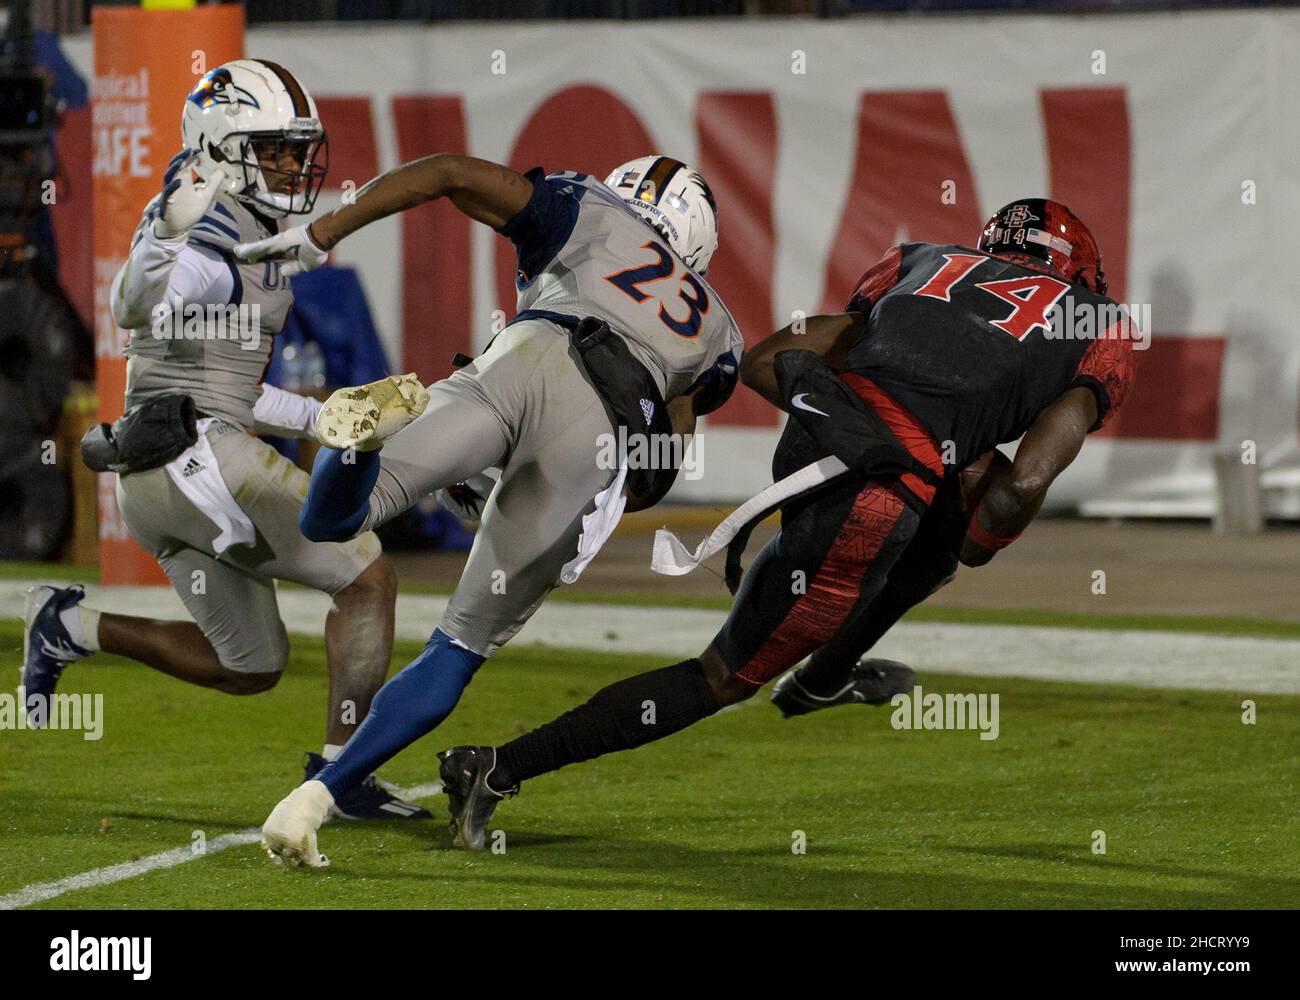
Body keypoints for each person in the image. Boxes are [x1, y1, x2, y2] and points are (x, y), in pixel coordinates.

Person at [432, 199, 1140, 849]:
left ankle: (825, 676)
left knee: (930, 541)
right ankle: (497, 766)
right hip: (874, 489)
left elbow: (771, 360)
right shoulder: (1098, 324)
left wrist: (871, 435)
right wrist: (976, 527)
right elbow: (1026, 485)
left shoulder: (924, 259)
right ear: (1076, 271)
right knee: (721, 677)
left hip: (821, 435)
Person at [237, 154, 745, 867]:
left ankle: (352, 445)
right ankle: (313, 801)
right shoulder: (719, 332)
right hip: (595, 428)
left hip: (521, 355)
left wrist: (324, 230)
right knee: (459, 645)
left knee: (335, 522)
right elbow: (656, 475)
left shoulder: (587, 207)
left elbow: (448, 173)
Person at [21, 60, 423, 819]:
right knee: (368, 581)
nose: (293, 165)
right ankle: (341, 779)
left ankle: (68, 625)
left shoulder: (238, 225)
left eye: (297, 150)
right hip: (199, 462)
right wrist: (162, 242)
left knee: (252, 664)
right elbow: (137, 308)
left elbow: (225, 386)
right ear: (221, 145)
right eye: (274, 149)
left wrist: (317, 415)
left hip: (159, 480)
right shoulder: (204, 234)